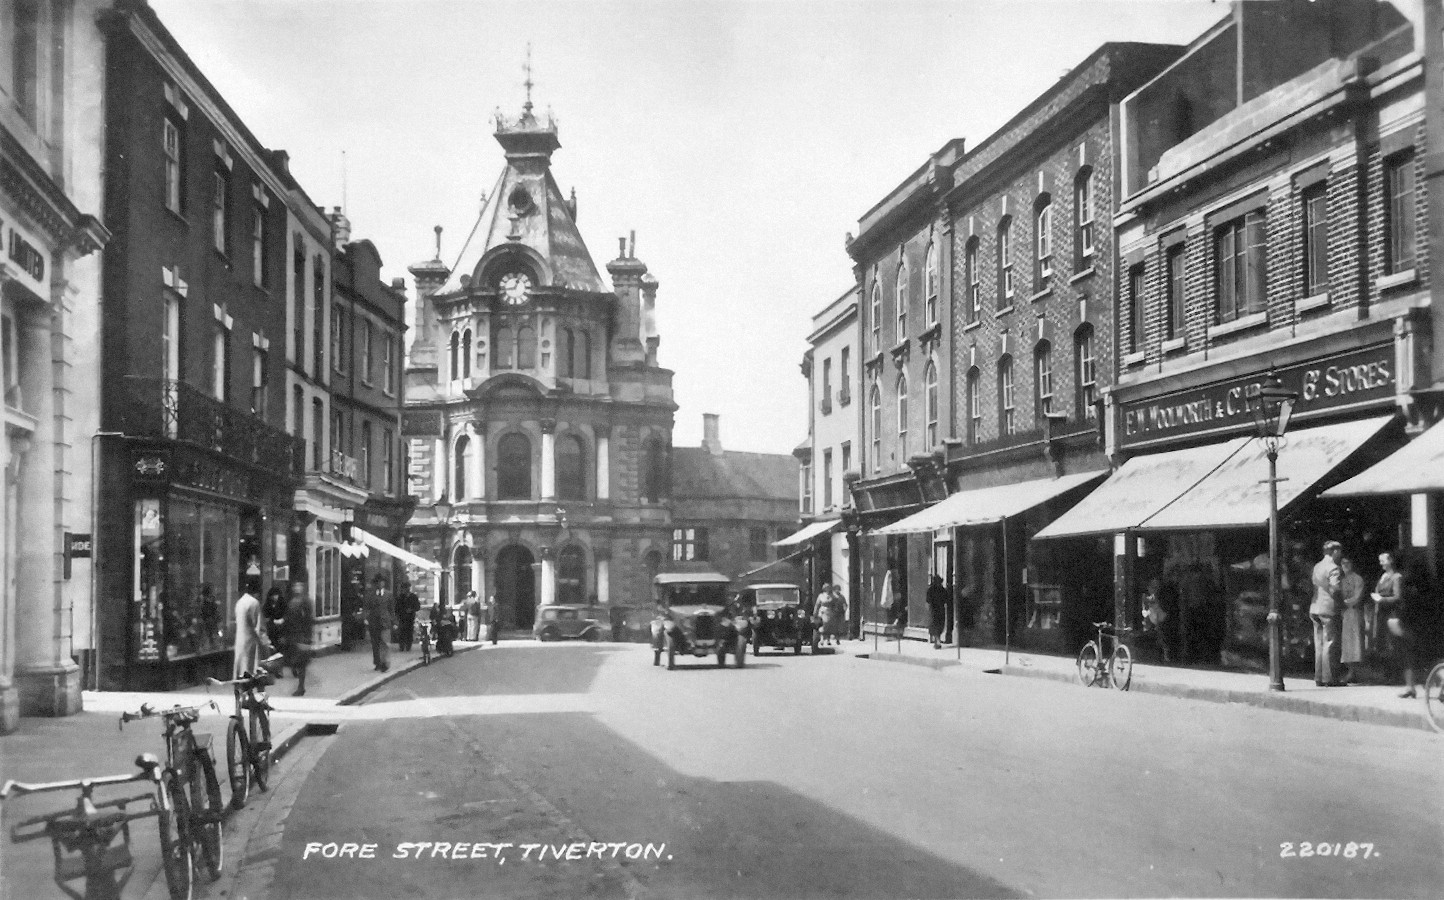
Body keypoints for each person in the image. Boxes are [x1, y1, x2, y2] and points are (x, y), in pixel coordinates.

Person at [1394, 551, 1442, 699]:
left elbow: (1405, 605)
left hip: (1412, 624)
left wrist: (1400, 622)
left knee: (1409, 656)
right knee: (1433, 657)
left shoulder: (1407, 582)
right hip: (1431, 624)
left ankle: (1410, 687)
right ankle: (1442, 686)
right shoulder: (1432, 582)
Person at [1310, 540, 1344, 686]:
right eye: (1339, 551)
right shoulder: (1333, 568)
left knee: (1319, 643)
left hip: (1315, 607)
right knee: (1330, 643)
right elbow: (1335, 588)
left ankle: (1319, 677)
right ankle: (1330, 678)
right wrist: (1341, 602)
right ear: (1335, 551)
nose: (1341, 554)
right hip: (1329, 608)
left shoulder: (1317, 566)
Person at [281, 581, 315, 696]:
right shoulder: (291, 601)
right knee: (294, 660)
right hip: (292, 634)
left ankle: (301, 686)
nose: (297, 588)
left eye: (299, 586)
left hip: (301, 635)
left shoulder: (305, 602)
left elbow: (309, 619)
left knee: (301, 662)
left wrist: (308, 636)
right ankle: (300, 683)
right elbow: (288, 618)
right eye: (295, 586)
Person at [1339, 558, 1366, 683]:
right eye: (1343, 564)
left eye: (1348, 563)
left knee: (1354, 641)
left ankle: (1354, 671)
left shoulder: (1357, 579)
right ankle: (1349, 670)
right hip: (1343, 613)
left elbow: (1357, 596)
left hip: (1353, 612)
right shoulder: (1340, 580)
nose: (1346, 566)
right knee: (1345, 642)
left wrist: (1345, 603)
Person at [233, 576, 265, 678]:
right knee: (250, 668)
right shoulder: (254, 603)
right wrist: (262, 641)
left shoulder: (240, 602)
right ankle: (249, 690)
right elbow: (256, 625)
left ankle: (240, 689)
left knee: (241, 666)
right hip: (250, 640)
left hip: (240, 639)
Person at [1372, 550, 1402, 655]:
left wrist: (1382, 599)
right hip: (1381, 614)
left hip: (1390, 614)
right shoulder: (1383, 576)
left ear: (1390, 561)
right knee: (1382, 641)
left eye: (1383, 561)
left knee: (1391, 641)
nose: (1381, 563)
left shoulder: (1396, 577)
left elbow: (1397, 597)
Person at [363, 574, 395, 672]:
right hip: (374, 622)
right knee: (375, 644)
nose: (380, 584)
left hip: (385, 622)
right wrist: (366, 619)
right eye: (378, 582)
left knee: (385, 643)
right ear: (375, 584)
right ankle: (377, 663)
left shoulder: (388, 594)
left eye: (382, 582)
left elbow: (391, 609)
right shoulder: (370, 595)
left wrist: (393, 621)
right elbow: (366, 608)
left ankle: (385, 662)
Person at [394, 580, 420, 652]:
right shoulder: (400, 598)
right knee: (402, 632)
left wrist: (411, 609)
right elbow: (396, 608)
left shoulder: (413, 597)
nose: (405, 590)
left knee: (409, 631)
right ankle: (401, 646)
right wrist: (397, 615)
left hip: (410, 618)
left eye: (407, 588)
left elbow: (417, 607)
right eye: (404, 588)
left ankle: (408, 646)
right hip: (402, 617)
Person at [926, 575, 949, 650]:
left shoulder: (931, 590)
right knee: (938, 625)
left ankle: (937, 640)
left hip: (934, 610)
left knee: (935, 625)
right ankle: (937, 640)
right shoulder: (942, 590)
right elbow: (946, 600)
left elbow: (928, 601)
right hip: (939, 610)